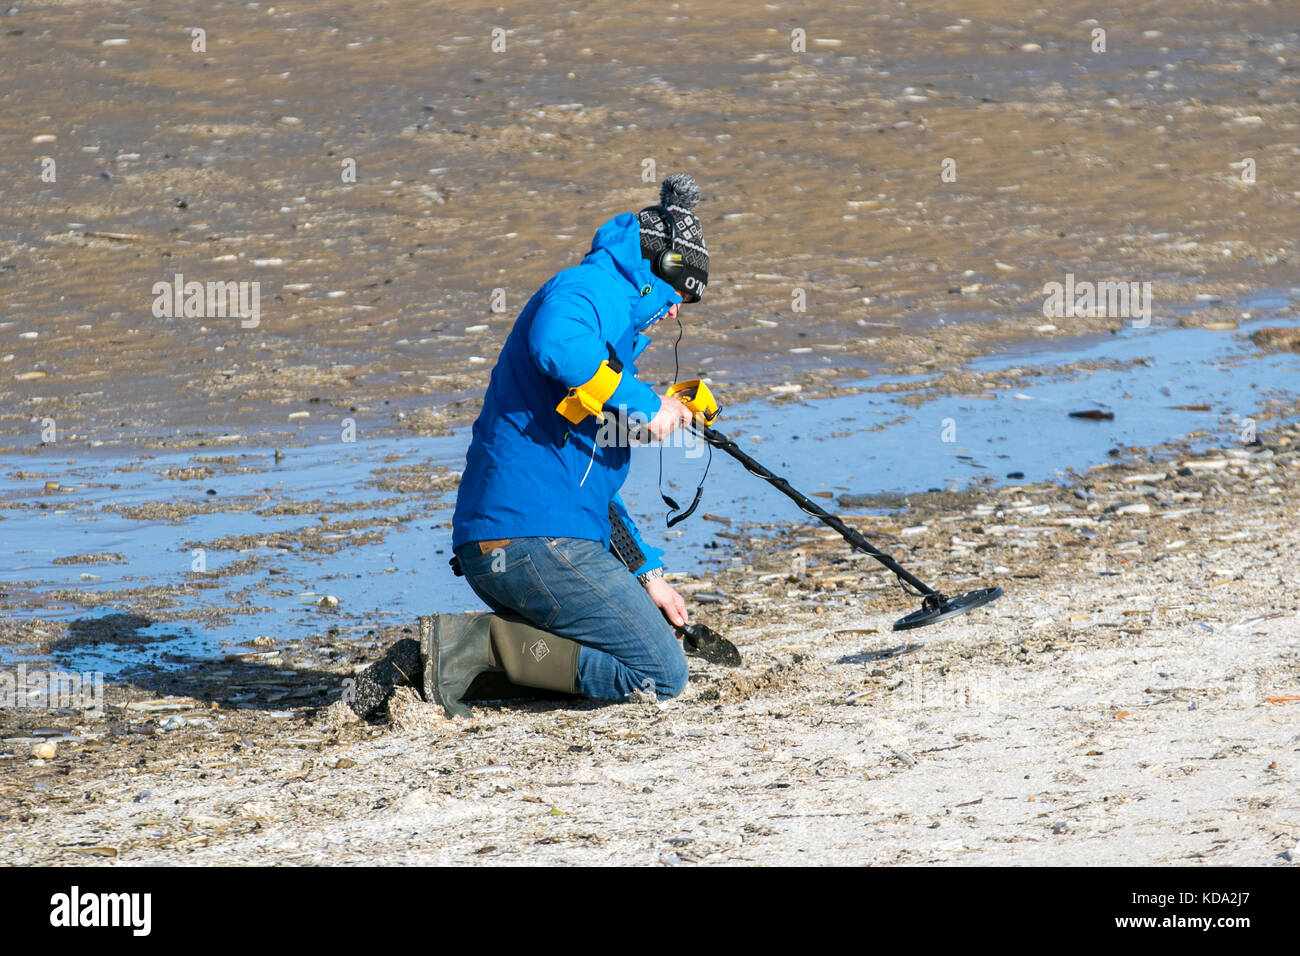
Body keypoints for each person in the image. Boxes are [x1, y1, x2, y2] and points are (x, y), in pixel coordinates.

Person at [346, 174, 711, 720]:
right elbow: (555, 343)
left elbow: (590, 493)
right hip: (529, 542)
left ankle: (441, 668)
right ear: (660, 275)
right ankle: (461, 651)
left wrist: (647, 577)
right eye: (680, 297)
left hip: (525, 540)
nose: (676, 313)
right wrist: (650, 407)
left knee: (620, 651)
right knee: (659, 674)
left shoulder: (609, 340)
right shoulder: (591, 290)